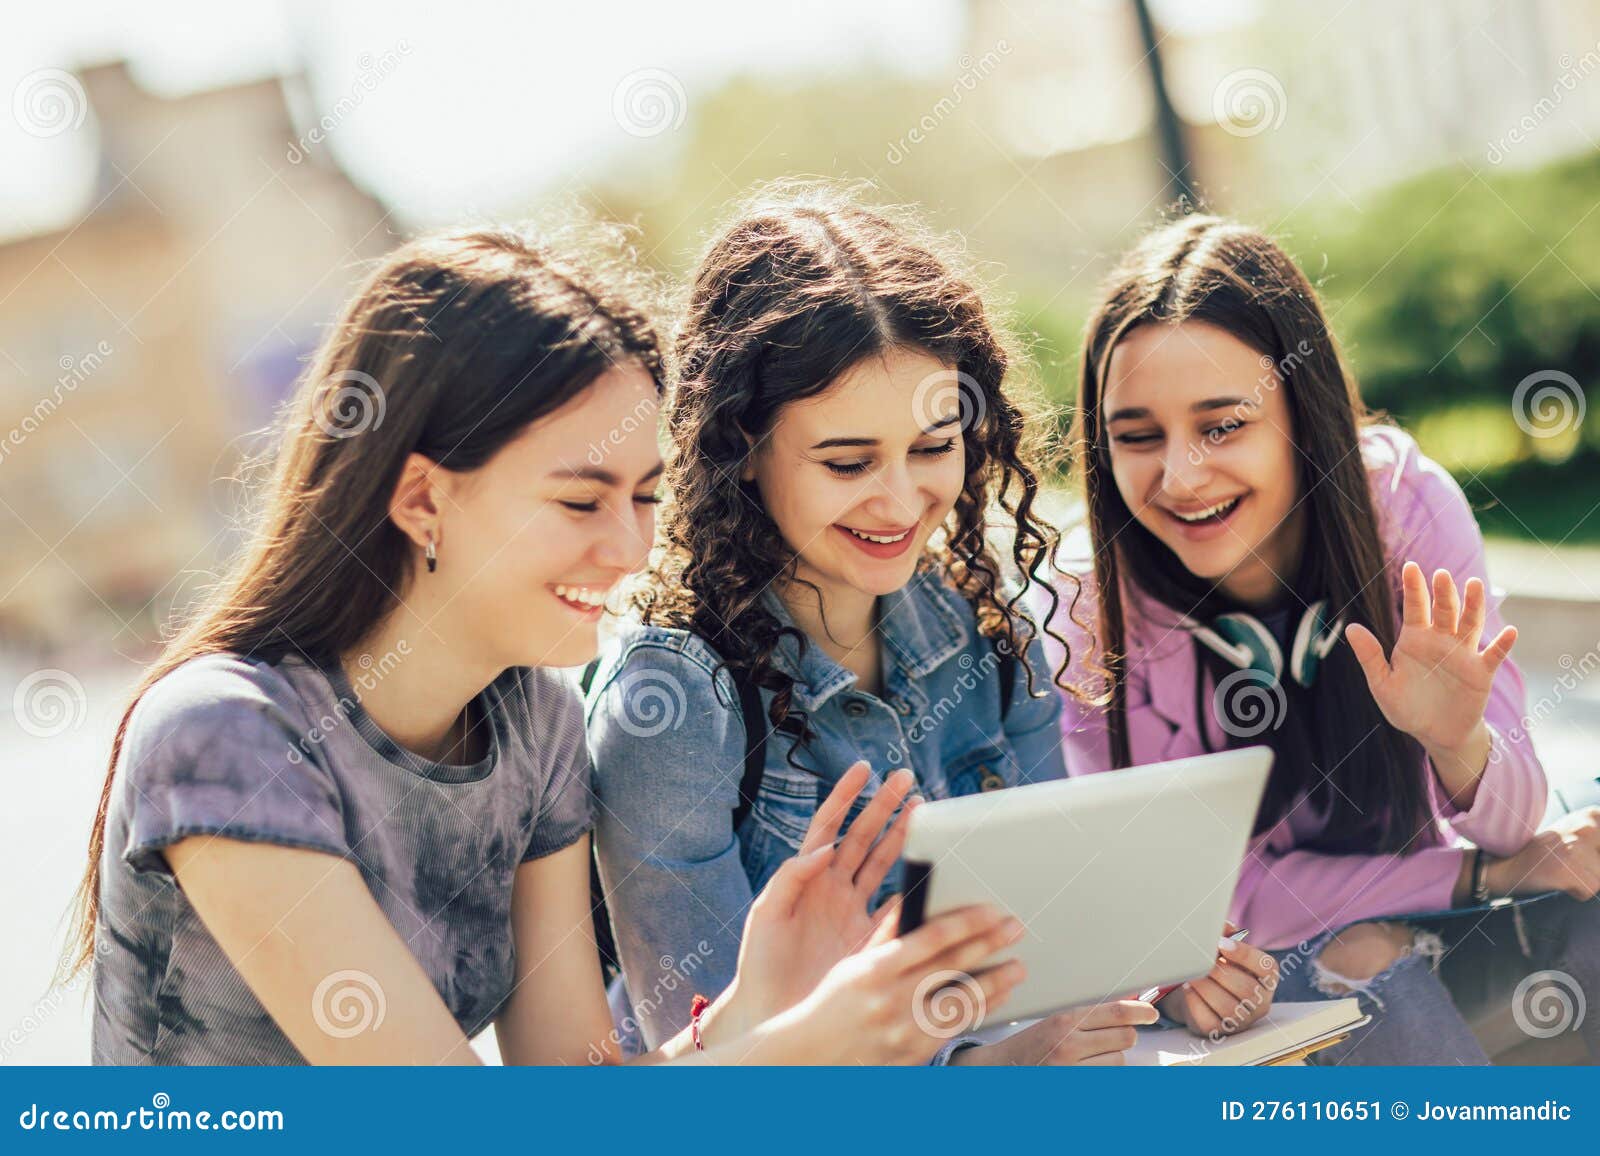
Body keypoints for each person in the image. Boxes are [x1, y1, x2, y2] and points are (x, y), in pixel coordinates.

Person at [73, 223, 1026, 1066]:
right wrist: (804, 1048)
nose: (631, 547)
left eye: (647, 496)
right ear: (420, 499)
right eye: (580, 500)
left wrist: (759, 1002)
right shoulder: (227, 736)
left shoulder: (537, 726)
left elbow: (574, 1101)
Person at [586, 184, 1169, 1065]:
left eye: (933, 448)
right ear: (738, 448)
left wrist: (1158, 977)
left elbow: (1061, 927)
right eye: (849, 461)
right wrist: (986, 1073)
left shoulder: (988, 624)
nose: (900, 501)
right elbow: (714, 1061)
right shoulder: (669, 708)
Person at [1048, 213, 1600, 1062]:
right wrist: (1473, 878)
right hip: (1277, 963)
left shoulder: (1403, 509)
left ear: (1302, 417)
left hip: (1439, 901)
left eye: (1222, 424)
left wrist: (1459, 743)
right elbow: (1206, 900)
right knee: (1364, 958)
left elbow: (1514, 818)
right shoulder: (1091, 606)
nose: (1180, 474)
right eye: (1137, 437)